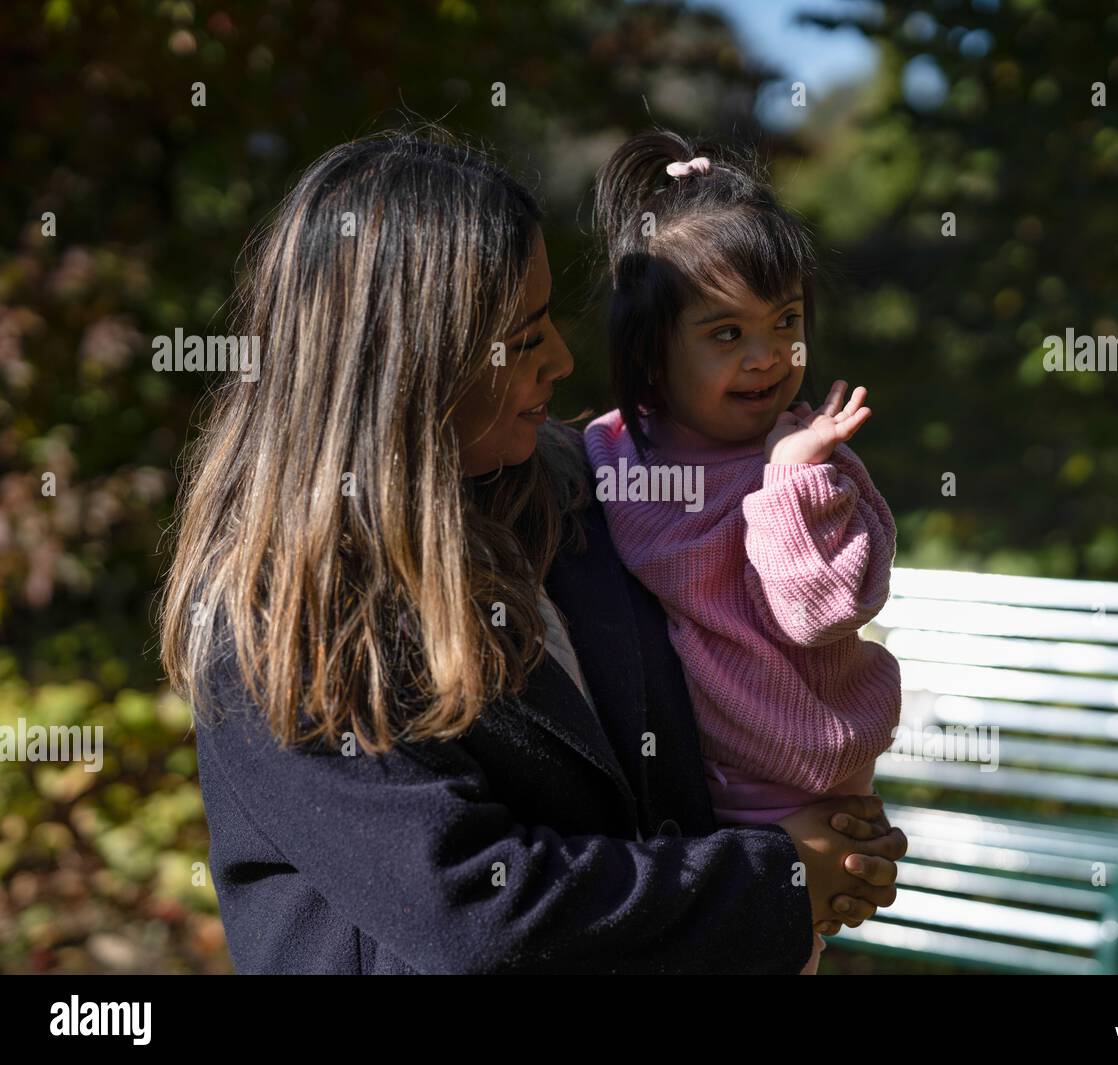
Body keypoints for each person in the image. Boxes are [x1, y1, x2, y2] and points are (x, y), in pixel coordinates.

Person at [158, 129, 906, 974]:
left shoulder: (565, 488)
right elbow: (478, 909)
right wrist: (770, 878)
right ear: (410, 369)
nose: (561, 358)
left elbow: (699, 704)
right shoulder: (280, 616)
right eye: (522, 337)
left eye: (549, 318)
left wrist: (818, 819)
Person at [584, 130, 904, 974]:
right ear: (651, 349)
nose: (768, 356)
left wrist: (793, 485)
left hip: (798, 776)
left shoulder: (809, 455)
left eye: (786, 321)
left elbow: (820, 608)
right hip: (685, 794)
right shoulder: (614, 450)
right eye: (724, 333)